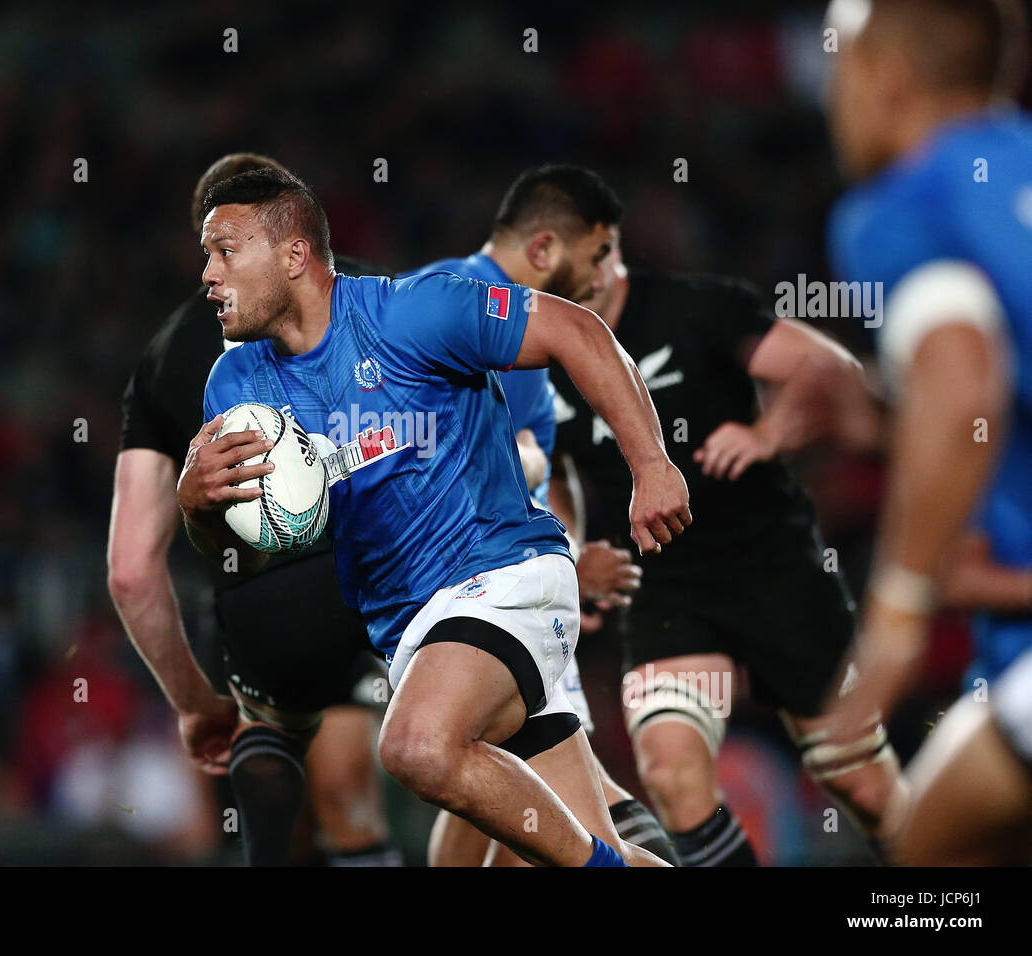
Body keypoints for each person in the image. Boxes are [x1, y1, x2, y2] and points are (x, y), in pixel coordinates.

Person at [183, 167, 692, 867]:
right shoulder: (236, 387)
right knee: (548, 847)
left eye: (226, 250)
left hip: (505, 578)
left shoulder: (411, 314)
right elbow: (243, 548)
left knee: (414, 747)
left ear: (294, 255)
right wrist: (199, 507)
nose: (208, 274)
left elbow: (576, 328)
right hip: (415, 638)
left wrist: (652, 464)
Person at [551, 188, 907, 864]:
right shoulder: (545, 357)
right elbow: (550, 466)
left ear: (611, 250)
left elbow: (828, 367)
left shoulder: (698, 307)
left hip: (774, 570)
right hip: (667, 587)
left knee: (859, 782)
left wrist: (768, 430)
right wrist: (569, 550)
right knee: (671, 775)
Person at [110, 153, 400, 867]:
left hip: (253, 626)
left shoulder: (165, 353)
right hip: (379, 597)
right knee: (349, 802)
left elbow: (129, 572)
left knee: (275, 829)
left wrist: (192, 702)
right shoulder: (368, 293)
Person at [407, 165, 677, 866]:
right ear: (545, 247)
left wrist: (571, 551)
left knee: (536, 827)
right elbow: (478, 457)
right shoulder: (447, 308)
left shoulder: (526, 328)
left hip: (502, 595)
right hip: (461, 590)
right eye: (597, 256)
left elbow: (546, 468)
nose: (607, 276)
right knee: (535, 824)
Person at [821, 0, 1032, 863]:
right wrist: (877, 408)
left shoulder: (906, 203)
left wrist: (894, 626)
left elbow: (961, 370)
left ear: (886, 77)